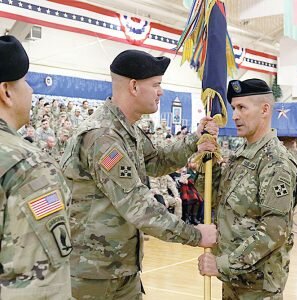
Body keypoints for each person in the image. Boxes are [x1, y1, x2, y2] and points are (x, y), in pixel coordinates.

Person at [60, 49, 218, 299]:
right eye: (156, 85)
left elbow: (155, 162)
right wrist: (195, 234)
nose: (161, 92)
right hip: (94, 274)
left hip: (121, 268)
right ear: (134, 86)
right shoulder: (103, 137)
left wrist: (194, 142)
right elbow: (138, 205)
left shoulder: (126, 129)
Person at [197, 79, 297, 299]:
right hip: (234, 281)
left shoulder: (276, 162)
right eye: (234, 108)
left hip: (258, 287)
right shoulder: (242, 155)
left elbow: (275, 230)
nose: (234, 115)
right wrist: (208, 157)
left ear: (265, 109)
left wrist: (224, 264)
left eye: (242, 108)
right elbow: (213, 196)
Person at [0, 35, 73, 299]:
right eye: (26, 81)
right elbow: (40, 285)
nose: (31, 90)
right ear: (6, 92)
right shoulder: (30, 168)